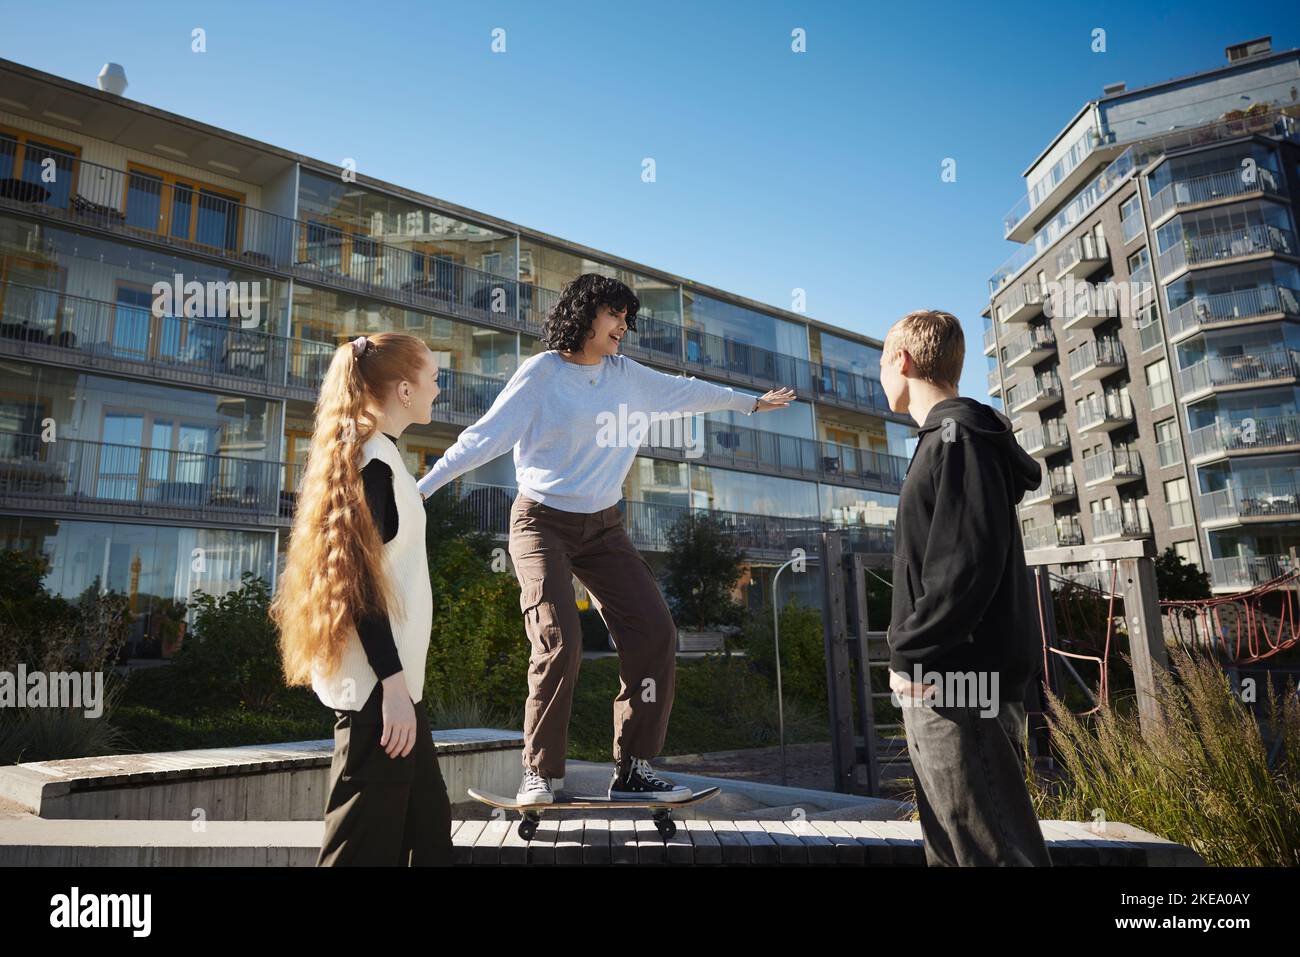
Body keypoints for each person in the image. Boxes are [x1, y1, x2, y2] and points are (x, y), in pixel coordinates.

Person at [416, 273, 795, 805]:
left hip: (604, 528)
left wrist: (749, 402)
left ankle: (634, 767)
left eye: (627, 318)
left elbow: (688, 391)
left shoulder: (629, 377)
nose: (623, 326)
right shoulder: (542, 374)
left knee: (655, 632)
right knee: (559, 640)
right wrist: (423, 490)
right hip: (541, 522)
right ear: (585, 314)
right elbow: (486, 436)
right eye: (614, 315)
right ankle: (540, 773)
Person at [272, 331, 453, 866]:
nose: (438, 391)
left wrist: (402, 693)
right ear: (402, 389)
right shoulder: (373, 463)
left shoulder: (382, 459)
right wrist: (395, 688)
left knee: (429, 839)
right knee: (359, 855)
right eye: (433, 379)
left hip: (395, 697)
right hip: (382, 698)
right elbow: (357, 588)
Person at [879, 309, 1052, 867]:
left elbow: (965, 567)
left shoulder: (956, 439)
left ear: (901, 361)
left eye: (882, 363)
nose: (880, 377)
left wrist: (910, 655)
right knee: (956, 851)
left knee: (993, 853)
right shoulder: (952, 437)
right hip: (946, 682)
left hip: (955, 686)